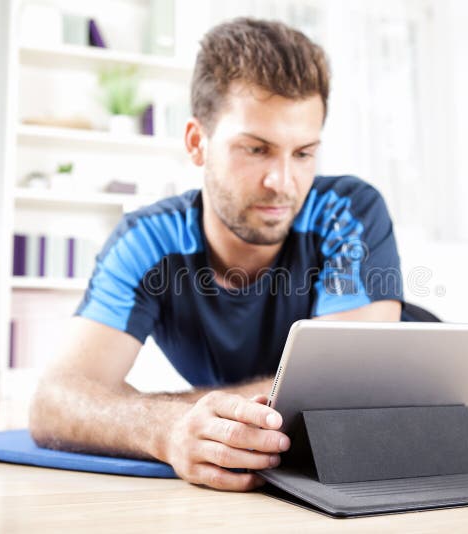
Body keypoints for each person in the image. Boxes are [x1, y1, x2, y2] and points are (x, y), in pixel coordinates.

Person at [29, 18, 402, 492]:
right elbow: (55, 401)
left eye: (304, 154)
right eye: (256, 149)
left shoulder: (347, 211)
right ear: (196, 143)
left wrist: (149, 407)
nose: (283, 182)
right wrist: (162, 428)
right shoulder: (146, 241)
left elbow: (341, 393)